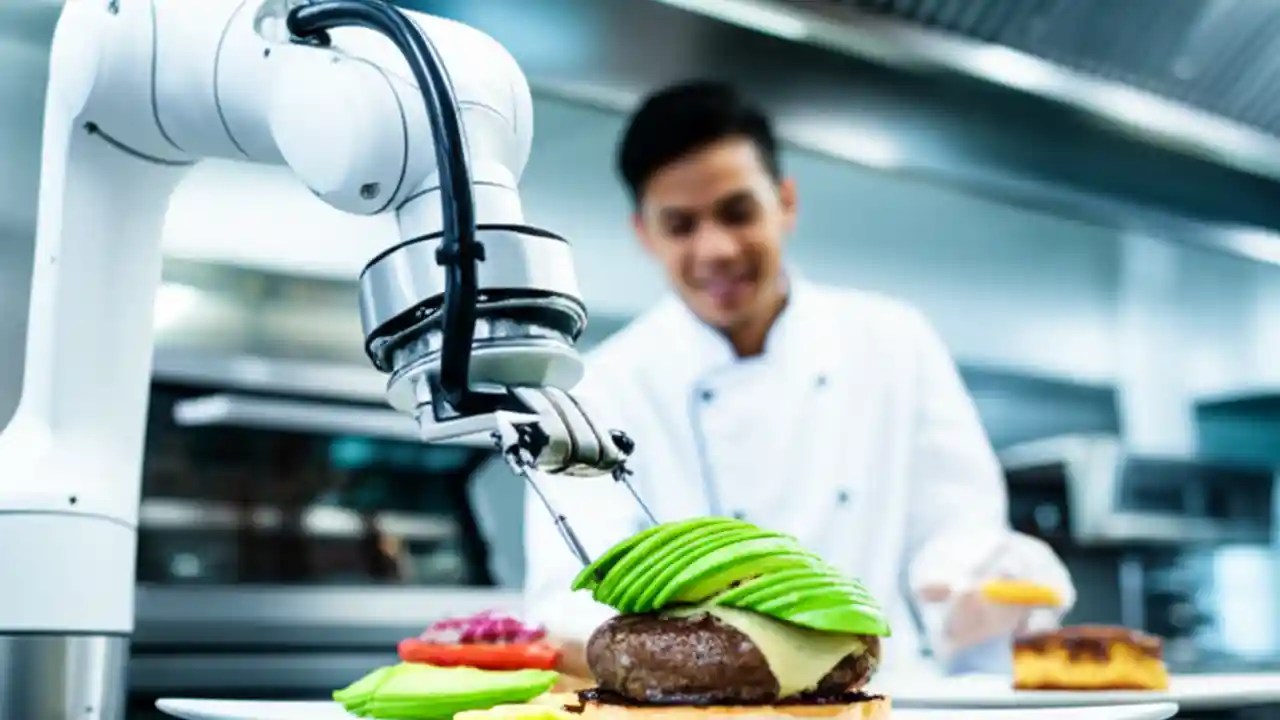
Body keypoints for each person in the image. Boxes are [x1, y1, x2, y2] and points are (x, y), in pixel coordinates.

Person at [521, 80, 1075, 678]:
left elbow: (956, 536)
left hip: (888, 701)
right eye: (681, 225)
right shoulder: (601, 386)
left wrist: (985, 585)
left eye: (738, 212)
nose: (717, 249)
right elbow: (572, 595)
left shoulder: (894, 341)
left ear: (785, 201)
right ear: (644, 233)